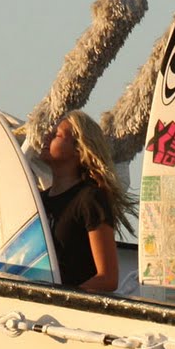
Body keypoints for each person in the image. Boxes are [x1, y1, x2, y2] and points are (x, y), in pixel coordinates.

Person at [39, 111, 135, 294]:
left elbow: (108, 278)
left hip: (67, 315)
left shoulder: (90, 199)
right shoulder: (37, 201)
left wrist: (60, 298)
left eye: (56, 135)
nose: (46, 136)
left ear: (78, 150)